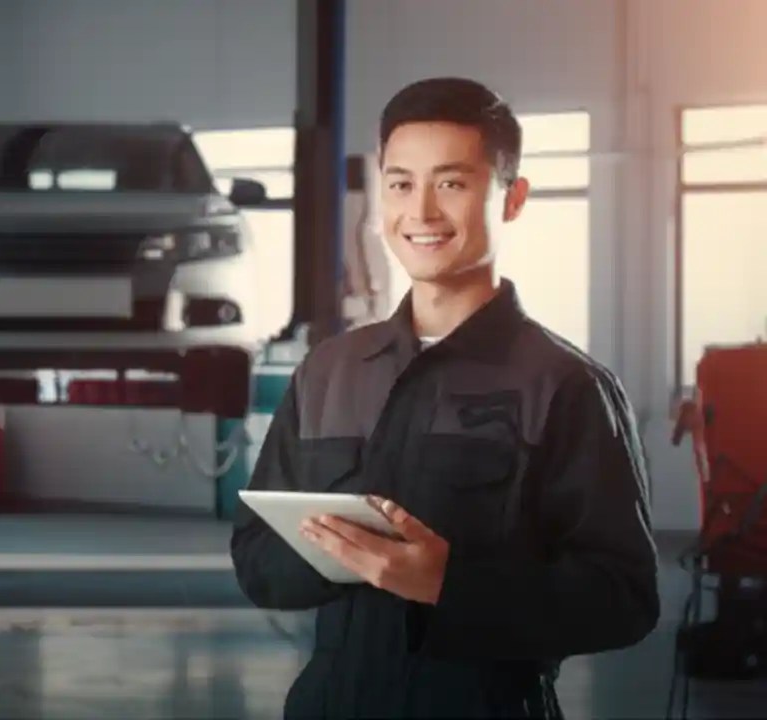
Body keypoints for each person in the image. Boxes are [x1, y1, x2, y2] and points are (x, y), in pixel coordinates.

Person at [230, 77, 660, 718]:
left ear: (512, 199)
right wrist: (341, 553)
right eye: (401, 183)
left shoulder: (565, 386)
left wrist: (447, 585)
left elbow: (623, 599)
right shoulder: (330, 370)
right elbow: (258, 560)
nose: (421, 213)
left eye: (452, 184)